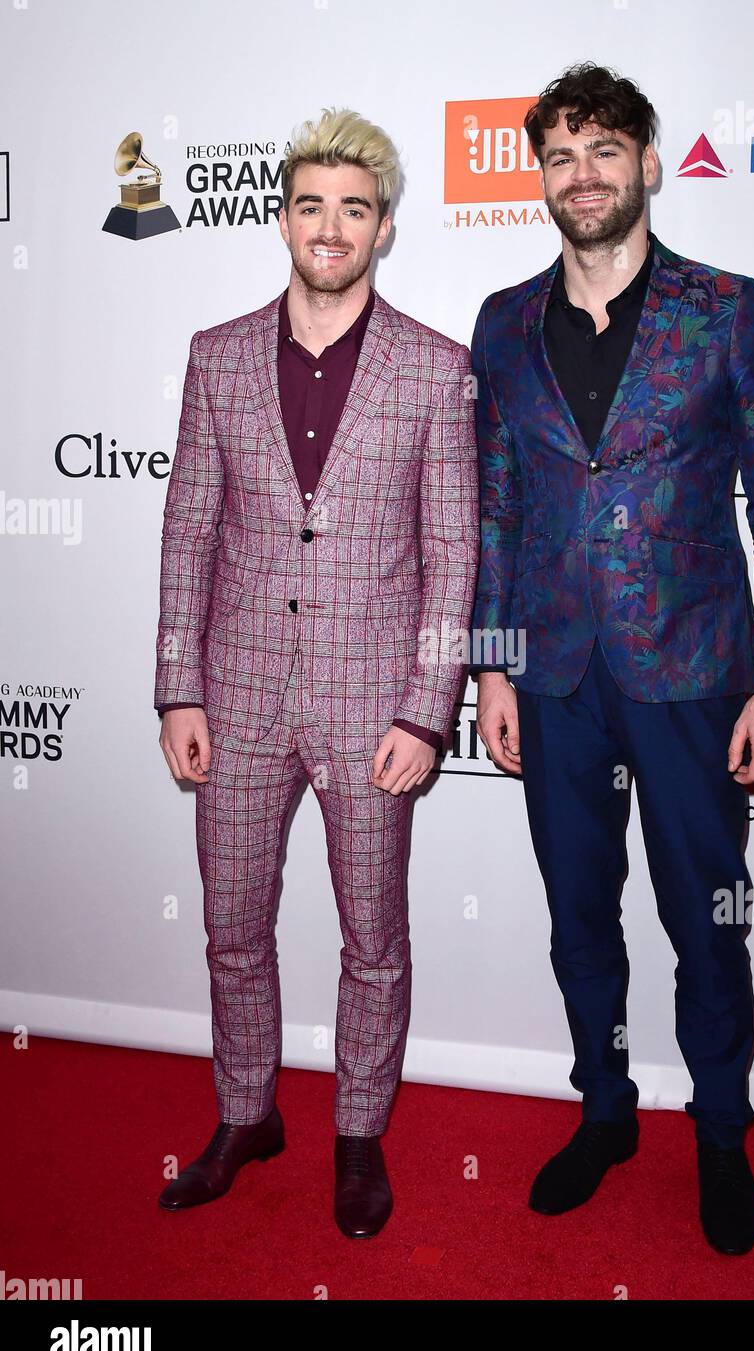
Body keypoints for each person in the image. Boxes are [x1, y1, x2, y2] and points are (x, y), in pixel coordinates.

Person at [470, 62, 754, 1255]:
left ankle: (720, 1129)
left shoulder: (727, 309)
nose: (584, 175)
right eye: (561, 156)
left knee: (706, 918)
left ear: (650, 164)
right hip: (556, 676)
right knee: (579, 915)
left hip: (693, 673)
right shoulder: (503, 323)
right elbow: (498, 505)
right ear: (543, 179)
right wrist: (493, 666)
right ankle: (605, 1107)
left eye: (605, 150)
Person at [154, 108, 479, 1238]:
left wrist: (428, 711)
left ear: (383, 227)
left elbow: (455, 554)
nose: (329, 226)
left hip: (371, 708)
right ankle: (248, 1113)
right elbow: (188, 527)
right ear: (282, 218)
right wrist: (178, 686)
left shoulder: (438, 369)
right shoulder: (216, 354)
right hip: (233, 699)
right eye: (310, 205)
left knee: (371, 937)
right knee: (232, 924)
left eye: (353, 208)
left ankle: (357, 1129)